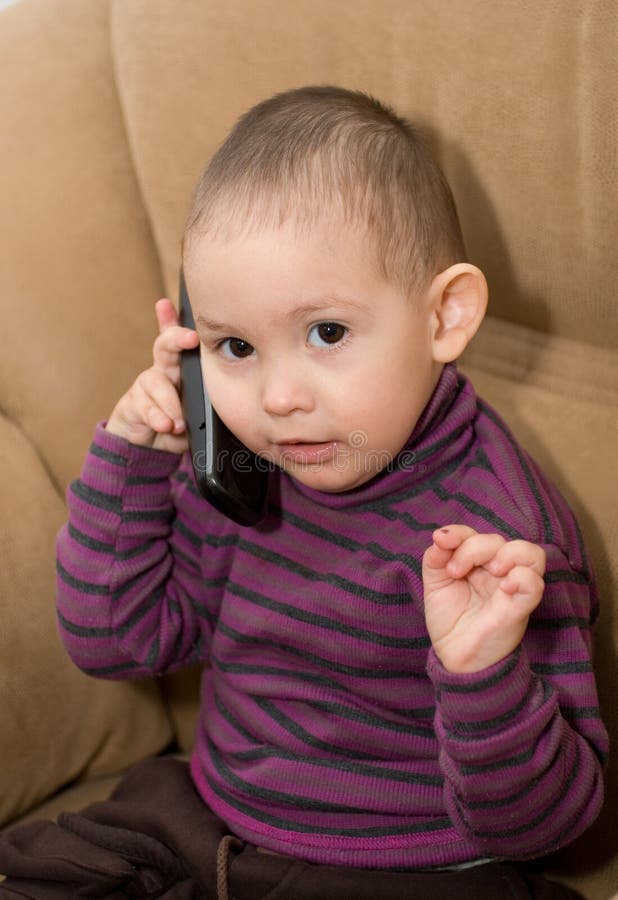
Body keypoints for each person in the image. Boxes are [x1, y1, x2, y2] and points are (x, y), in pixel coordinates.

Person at [0, 86, 607, 899]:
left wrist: (482, 676)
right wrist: (132, 457)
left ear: (445, 318)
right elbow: (114, 643)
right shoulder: (244, 467)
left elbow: (549, 827)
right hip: (208, 819)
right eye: (236, 345)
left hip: (409, 868)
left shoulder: (502, 542)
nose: (278, 398)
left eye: (326, 333)